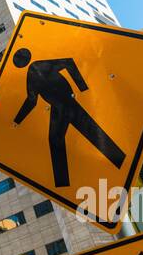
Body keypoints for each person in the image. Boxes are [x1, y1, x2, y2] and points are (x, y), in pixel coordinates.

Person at [11, 48, 125, 187]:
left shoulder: (38, 67)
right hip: (59, 106)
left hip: (65, 103)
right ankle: (63, 183)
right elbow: (32, 100)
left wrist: (82, 87)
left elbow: (68, 62)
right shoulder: (33, 71)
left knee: (80, 132)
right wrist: (17, 120)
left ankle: (63, 183)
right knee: (65, 136)